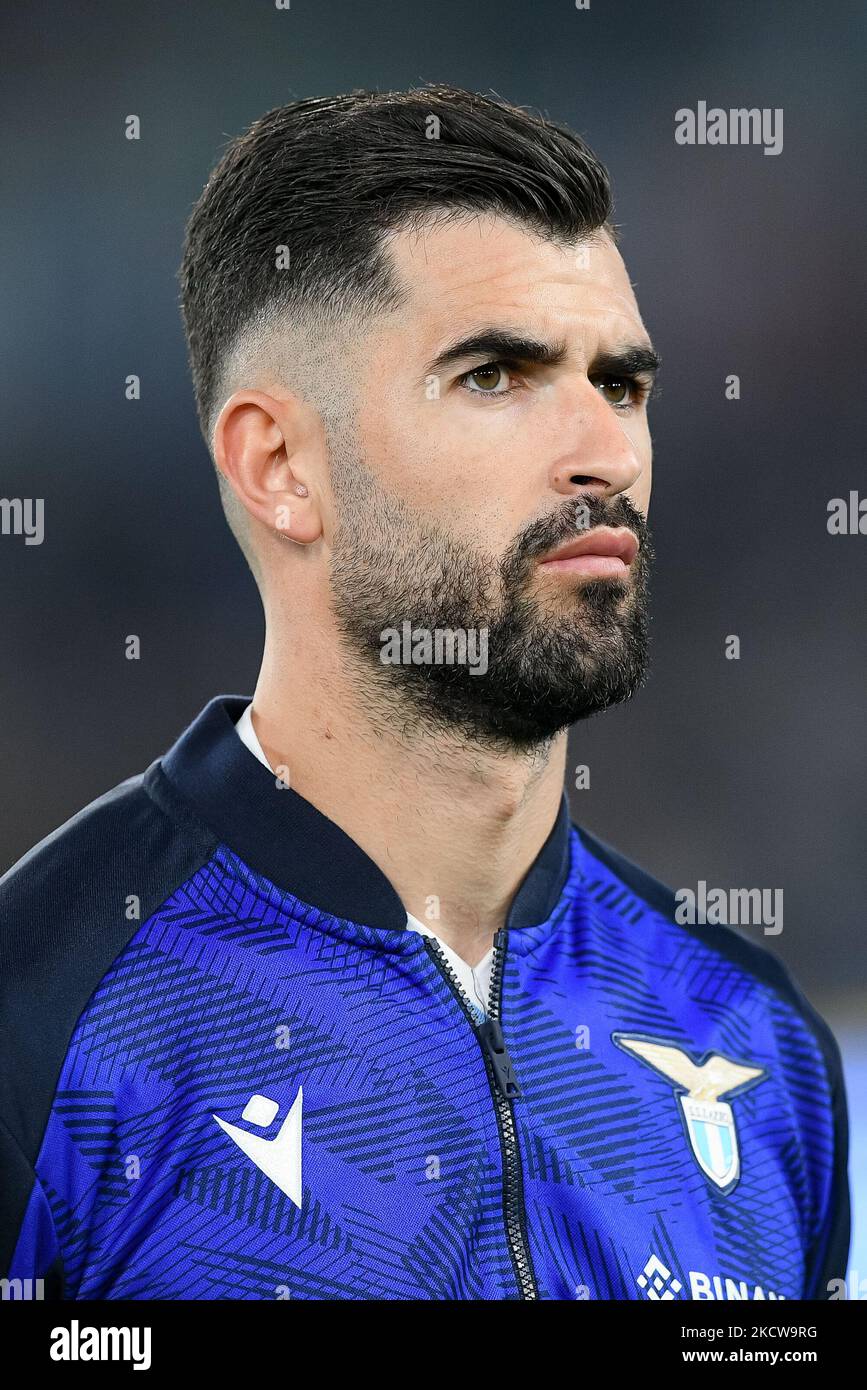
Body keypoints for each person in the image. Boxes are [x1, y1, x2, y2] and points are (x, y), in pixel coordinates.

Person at [0, 84, 848, 1301]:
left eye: (621, 384)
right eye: (497, 374)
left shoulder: (757, 1045)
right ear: (281, 466)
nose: (605, 453)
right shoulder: (45, 1022)